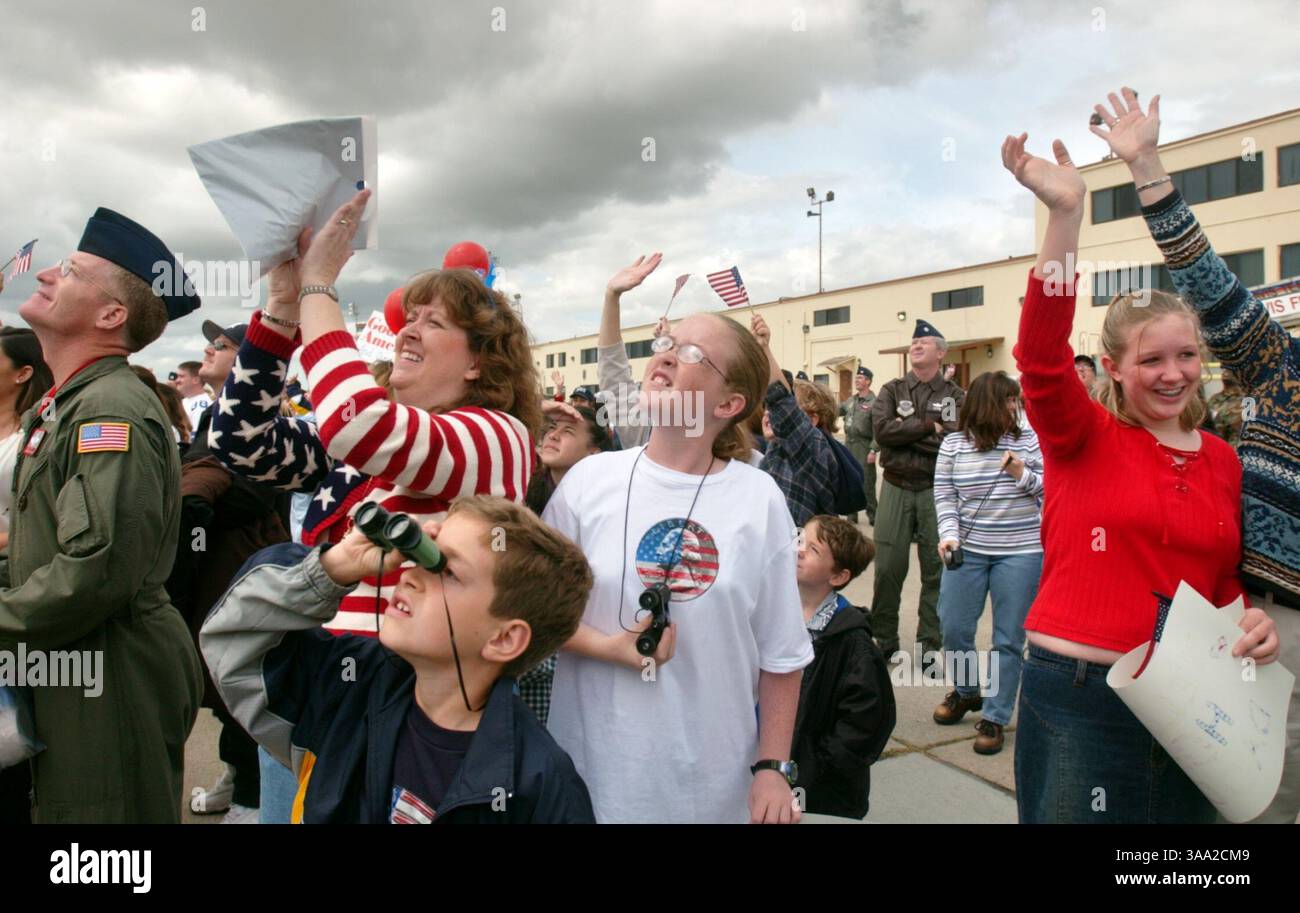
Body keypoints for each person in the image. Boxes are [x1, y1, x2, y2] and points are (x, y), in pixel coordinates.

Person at [1002, 122, 1277, 823]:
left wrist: (1247, 616)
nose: (1173, 373)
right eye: (1151, 360)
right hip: (1080, 698)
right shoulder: (1080, 435)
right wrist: (1066, 216)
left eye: (1186, 355)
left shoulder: (1221, 458)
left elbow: (1216, 580)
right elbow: (1039, 355)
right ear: (1117, 369)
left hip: (1194, 703)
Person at [1090, 87, 1299, 823]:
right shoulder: (1281, 366)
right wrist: (1147, 164)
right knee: (1249, 805)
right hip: (1260, 627)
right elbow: (1204, 276)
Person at [207, 188, 539, 637]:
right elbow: (241, 442)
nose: (408, 332)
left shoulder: (499, 437)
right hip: (336, 684)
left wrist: (318, 287)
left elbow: (359, 426)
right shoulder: (368, 447)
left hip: (410, 691)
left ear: (478, 363)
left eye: (433, 323)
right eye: (411, 318)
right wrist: (284, 308)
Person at [543, 311, 813, 824]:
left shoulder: (759, 497)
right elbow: (533, 611)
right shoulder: (586, 482)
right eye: (666, 342)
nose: (664, 354)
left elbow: (782, 652)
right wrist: (607, 647)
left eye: (692, 354)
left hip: (709, 786)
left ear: (730, 404)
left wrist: (773, 767)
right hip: (590, 774)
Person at [201, 495, 596, 823]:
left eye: (446, 571)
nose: (409, 575)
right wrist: (331, 568)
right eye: (421, 556)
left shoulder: (537, 787)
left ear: (505, 638)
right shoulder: (348, 689)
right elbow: (235, 642)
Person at [0, 207, 204, 822]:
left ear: (112, 314)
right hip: (71, 656)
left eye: (71, 271)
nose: (45, 276)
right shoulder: (70, 405)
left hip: (107, 668)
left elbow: (94, 572)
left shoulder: (108, 411)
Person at [173, 319, 289, 823]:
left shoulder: (265, 419)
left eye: (220, 345)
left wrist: (202, 484)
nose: (208, 350)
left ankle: (252, 799)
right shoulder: (213, 415)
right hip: (213, 562)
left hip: (243, 564)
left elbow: (253, 493)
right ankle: (237, 774)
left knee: (244, 682)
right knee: (220, 688)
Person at [932, 371, 1044, 755]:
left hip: (1022, 551)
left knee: (1007, 639)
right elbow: (945, 495)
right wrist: (949, 535)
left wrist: (1021, 474)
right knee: (953, 627)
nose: (1016, 407)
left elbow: (1051, 489)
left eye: (1017, 400)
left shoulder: (1030, 440)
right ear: (988, 404)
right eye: (1009, 400)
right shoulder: (953, 446)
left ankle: (995, 716)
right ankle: (966, 691)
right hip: (969, 550)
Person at [869, 319, 965, 661]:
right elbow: (882, 433)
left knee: (936, 570)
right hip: (894, 486)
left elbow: (951, 441)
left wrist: (904, 432)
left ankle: (929, 644)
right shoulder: (892, 390)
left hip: (934, 491)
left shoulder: (953, 396)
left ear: (940, 353)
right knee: (888, 568)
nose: (915, 346)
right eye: (913, 343)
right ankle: (883, 639)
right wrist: (928, 426)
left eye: (924, 343)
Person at [791, 515, 893, 819]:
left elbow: (866, 721)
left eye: (813, 550)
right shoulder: (773, 614)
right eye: (799, 540)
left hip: (821, 792)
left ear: (837, 577)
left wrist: (816, 765)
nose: (798, 550)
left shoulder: (854, 644)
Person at [0, 327, 51, 824]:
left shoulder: (34, 435)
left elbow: (42, 523)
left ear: (22, 372)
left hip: (12, 581)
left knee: (8, 729)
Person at [753, 314, 840, 526]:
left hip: (797, 546)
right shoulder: (777, 448)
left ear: (811, 421)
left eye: (776, 411)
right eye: (767, 409)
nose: (768, 413)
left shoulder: (813, 450)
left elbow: (780, 399)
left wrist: (763, 349)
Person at [839, 365, 878, 525]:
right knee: (850, 480)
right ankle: (851, 515)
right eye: (856, 378)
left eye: (860, 378)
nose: (856, 380)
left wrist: (874, 449)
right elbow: (837, 409)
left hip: (864, 446)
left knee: (867, 483)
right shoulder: (851, 401)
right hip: (849, 444)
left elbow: (878, 428)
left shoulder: (874, 402)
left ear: (868, 381)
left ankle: (873, 515)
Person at [1206, 369, 1244, 449]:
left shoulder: (1246, 400)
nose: (1225, 373)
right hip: (1217, 444)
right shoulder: (1215, 399)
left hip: (1236, 447)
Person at [176, 359, 211, 432]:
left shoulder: (203, 403)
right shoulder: (183, 402)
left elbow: (195, 435)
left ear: (196, 380)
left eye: (181, 376)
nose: (177, 380)